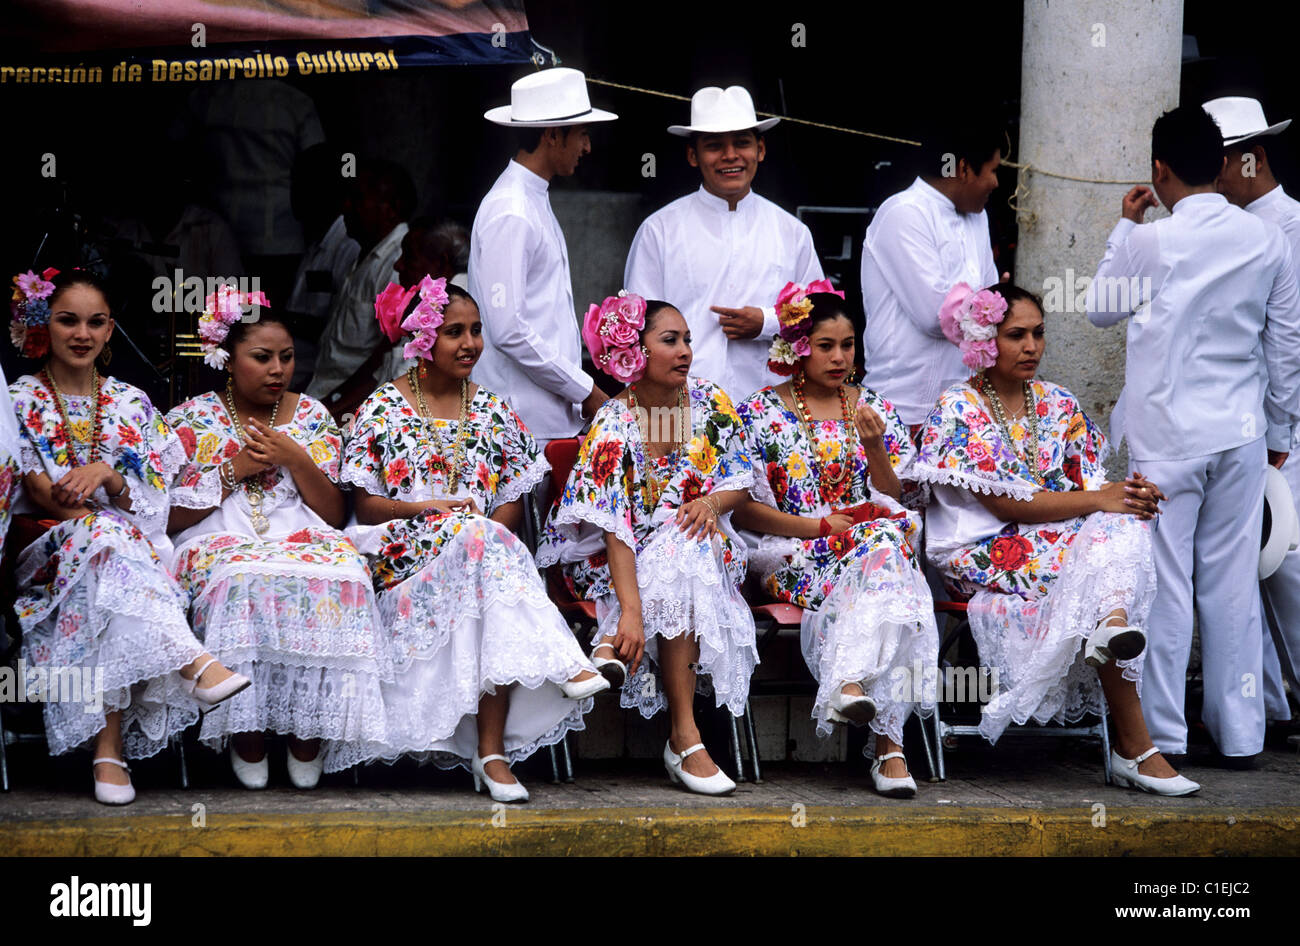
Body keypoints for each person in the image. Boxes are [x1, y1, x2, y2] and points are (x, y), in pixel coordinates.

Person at [915, 281, 1198, 795]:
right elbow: (1003, 505)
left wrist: (1127, 495)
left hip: (1052, 545)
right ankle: (1136, 748)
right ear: (984, 340)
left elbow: (1092, 486)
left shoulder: (1057, 402)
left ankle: (1111, 625)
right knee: (1109, 527)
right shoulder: (958, 408)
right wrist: (1104, 499)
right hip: (981, 551)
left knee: (1125, 520)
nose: (1031, 347)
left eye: (1039, 334)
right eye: (1015, 335)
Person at [1086, 105, 1300, 765]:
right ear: (1223, 164)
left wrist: (1126, 224)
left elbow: (1098, 309)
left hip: (1169, 436)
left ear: (1159, 169)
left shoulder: (1154, 241)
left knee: (1168, 586)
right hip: (1240, 434)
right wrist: (1278, 430)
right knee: (1232, 582)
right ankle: (1241, 735)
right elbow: (1286, 343)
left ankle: (1167, 736)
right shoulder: (1266, 240)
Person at [341, 277, 607, 801]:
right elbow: (366, 506)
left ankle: (492, 755)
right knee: (484, 545)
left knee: (486, 563)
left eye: (477, 331)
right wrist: (429, 510)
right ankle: (563, 668)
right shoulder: (382, 409)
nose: (470, 344)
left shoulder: (491, 409)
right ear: (421, 339)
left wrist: (476, 536)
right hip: (401, 553)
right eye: (453, 332)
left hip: (480, 556)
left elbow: (510, 500)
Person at [6, 268, 250, 805]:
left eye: (95, 322)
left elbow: (156, 508)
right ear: (45, 321)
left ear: (111, 330)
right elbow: (42, 494)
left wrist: (111, 477)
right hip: (47, 547)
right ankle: (192, 663)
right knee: (101, 537)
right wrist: (92, 487)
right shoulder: (19, 399)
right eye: (67, 320)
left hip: (121, 553)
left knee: (108, 564)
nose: (81, 334)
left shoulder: (131, 403)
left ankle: (108, 751)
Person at [165, 289, 391, 789]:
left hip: (301, 529)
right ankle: (245, 734)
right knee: (240, 577)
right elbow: (168, 518)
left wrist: (296, 459)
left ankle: (308, 733)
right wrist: (232, 471)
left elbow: (334, 513)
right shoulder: (189, 419)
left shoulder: (311, 416)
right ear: (227, 358)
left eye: (286, 357)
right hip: (218, 531)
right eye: (262, 357)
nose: (278, 370)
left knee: (344, 575)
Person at [538, 292, 758, 796]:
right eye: (669, 340)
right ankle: (684, 738)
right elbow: (614, 526)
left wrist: (713, 503)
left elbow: (740, 478)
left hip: (699, 552)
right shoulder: (617, 420)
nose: (685, 351)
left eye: (686, 340)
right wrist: (634, 610)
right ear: (633, 353)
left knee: (688, 543)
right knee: (683, 550)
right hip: (615, 564)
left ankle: (610, 641)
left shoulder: (707, 402)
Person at [733, 284, 938, 798]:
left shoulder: (873, 408)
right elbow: (740, 503)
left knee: (887, 559)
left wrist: (874, 447)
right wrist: (820, 528)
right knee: (892, 569)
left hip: (866, 550)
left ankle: (852, 687)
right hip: (791, 554)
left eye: (848, 345)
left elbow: (896, 497)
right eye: (826, 345)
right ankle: (889, 747)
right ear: (799, 346)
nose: (840, 357)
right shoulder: (760, 412)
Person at [624, 85, 824, 402]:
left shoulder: (791, 231)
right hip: (683, 408)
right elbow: (637, 328)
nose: (730, 155)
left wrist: (766, 321)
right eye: (715, 145)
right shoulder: (660, 229)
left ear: (760, 149)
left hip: (771, 412)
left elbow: (822, 315)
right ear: (693, 155)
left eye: (742, 143)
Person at [1203, 95, 1300, 723]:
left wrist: (1279, 429)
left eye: (1214, 170)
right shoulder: (1244, 229)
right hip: (1254, 425)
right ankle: (1263, 708)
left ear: (1248, 162)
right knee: (1248, 567)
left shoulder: (1286, 228)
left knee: (1285, 562)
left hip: (1281, 428)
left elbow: (1287, 346)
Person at [469, 67, 616, 444]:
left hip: (544, 417)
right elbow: (508, 329)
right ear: (552, 135)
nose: (587, 147)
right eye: (582, 134)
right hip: (519, 422)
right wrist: (585, 390)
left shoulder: (530, 197)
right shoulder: (512, 208)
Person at [860, 105, 1005, 432]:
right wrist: (999, 306)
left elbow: (991, 298)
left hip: (966, 408)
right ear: (964, 169)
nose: (996, 183)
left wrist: (998, 305)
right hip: (903, 408)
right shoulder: (903, 213)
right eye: (993, 170)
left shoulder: (977, 217)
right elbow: (935, 314)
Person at [305, 158, 414, 415]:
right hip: (324, 393)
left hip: (349, 406)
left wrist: (333, 406)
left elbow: (386, 355)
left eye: (358, 198)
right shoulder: (365, 251)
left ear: (391, 208)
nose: (346, 206)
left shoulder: (398, 260)